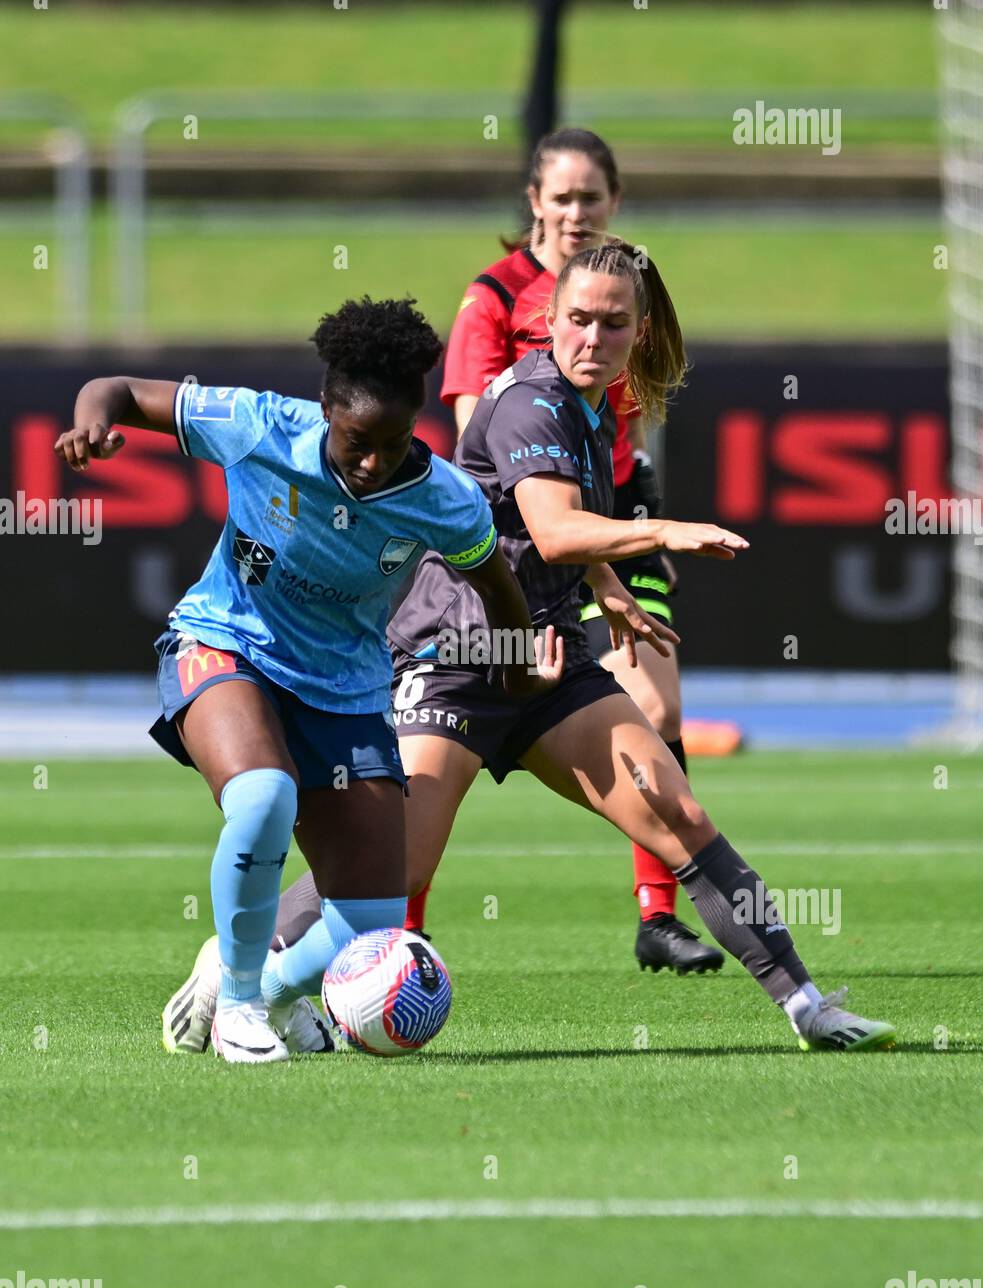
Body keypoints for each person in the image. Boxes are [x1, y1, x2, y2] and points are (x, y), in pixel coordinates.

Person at [262, 243, 896, 1053]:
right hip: (452, 655)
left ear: (638, 329)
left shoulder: (588, 402)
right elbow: (556, 529)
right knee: (394, 867)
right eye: (579, 319)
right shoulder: (533, 400)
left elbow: (533, 520)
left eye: (613, 322)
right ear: (548, 319)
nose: (593, 336)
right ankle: (236, 980)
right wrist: (660, 532)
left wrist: (606, 586)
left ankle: (808, 1005)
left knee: (677, 810)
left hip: (550, 660)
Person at [55, 296, 559, 1063]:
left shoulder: (445, 499)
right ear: (325, 410)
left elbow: (499, 590)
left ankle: (268, 989)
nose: (371, 461)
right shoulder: (260, 424)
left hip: (347, 685)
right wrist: (93, 421)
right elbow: (118, 389)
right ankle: (237, 1007)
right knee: (263, 797)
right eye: (357, 441)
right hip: (227, 644)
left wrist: (519, 670)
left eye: (392, 444)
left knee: (374, 922)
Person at [432, 126, 717, 974]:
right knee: (442, 741)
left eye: (591, 196)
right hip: (518, 532)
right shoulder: (491, 299)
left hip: (615, 517)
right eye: (561, 197)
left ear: (614, 202)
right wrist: (577, 530)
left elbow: (649, 391)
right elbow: (472, 438)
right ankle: (392, 920)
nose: (576, 211)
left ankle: (658, 919)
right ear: (534, 203)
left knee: (658, 713)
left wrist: (624, 525)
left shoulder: (627, 285)